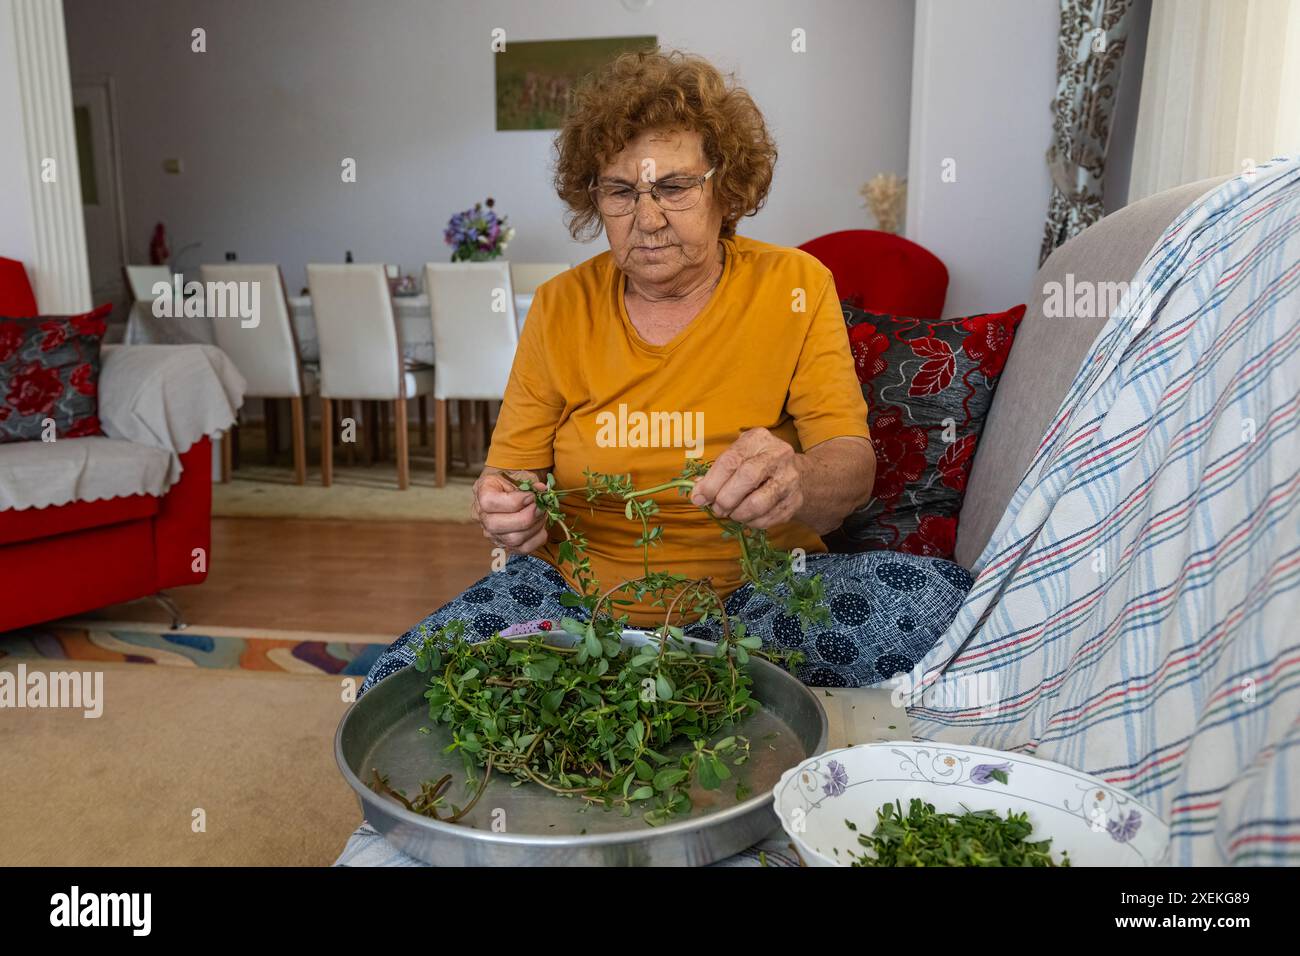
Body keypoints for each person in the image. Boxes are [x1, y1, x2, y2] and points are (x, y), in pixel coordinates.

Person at [360, 49, 971, 695]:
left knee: (946, 606)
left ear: (725, 188)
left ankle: (658, 682)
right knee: (400, 686)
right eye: (621, 192)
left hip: (757, 598)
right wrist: (507, 507)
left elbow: (851, 465)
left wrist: (797, 478)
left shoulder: (794, 283)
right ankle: (663, 680)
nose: (647, 219)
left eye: (674, 188)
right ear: (594, 197)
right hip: (576, 600)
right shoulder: (559, 304)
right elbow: (511, 470)